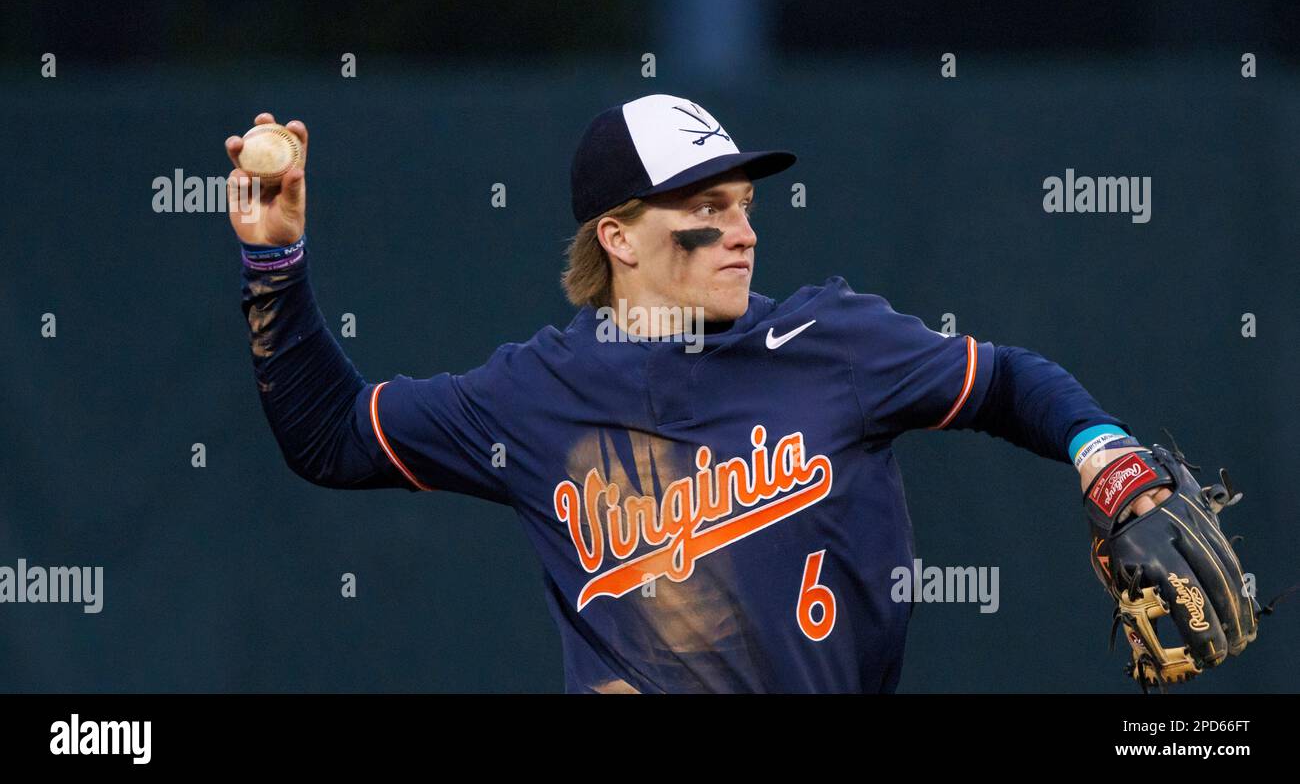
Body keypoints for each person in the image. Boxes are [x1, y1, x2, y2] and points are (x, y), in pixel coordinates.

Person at [224, 94, 1252, 693]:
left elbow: (1010, 380)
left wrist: (1106, 458)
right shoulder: (529, 395)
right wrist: (274, 263)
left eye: (744, 203)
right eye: (704, 209)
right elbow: (328, 434)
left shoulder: (830, 339)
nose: (742, 230)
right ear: (617, 239)